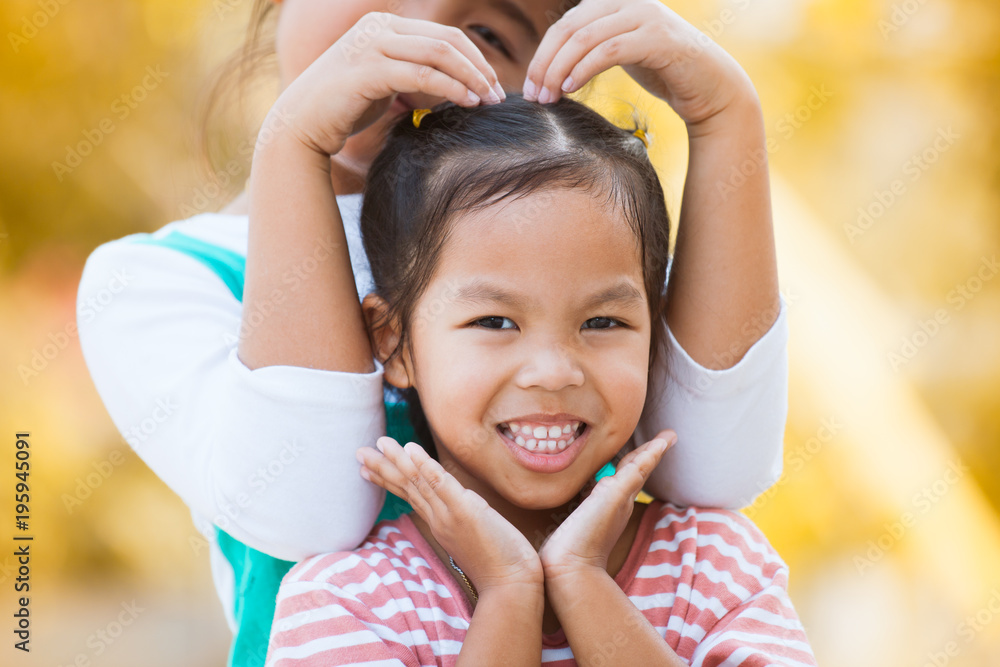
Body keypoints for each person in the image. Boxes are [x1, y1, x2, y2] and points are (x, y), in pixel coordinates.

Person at [76, 1, 787, 665]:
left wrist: (727, 115)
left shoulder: (576, 258)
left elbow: (711, 467)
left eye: (489, 32)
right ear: (392, 337)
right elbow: (304, 506)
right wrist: (294, 142)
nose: (418, 39)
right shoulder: (158, 280)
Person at [265, 94, 814, 665]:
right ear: (394, 341)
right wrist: (508, 592)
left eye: (603, 321)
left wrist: (584, 584)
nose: (554, 371)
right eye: (495, 321)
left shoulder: (717, 569)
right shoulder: (350, 603)